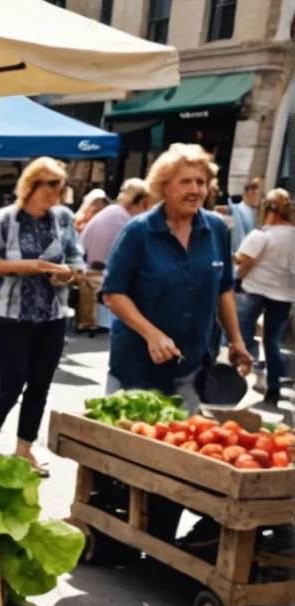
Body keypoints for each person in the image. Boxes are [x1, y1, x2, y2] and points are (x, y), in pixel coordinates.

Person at [101, 143, 252, 416]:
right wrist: (152, 335)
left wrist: (236, 340)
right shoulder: (138, 232)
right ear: (164, 186)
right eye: (185, 182)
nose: (195, 190)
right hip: (138, 366)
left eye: (201, 182)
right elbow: (113, 293)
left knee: (181, 448)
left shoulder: (216, 228)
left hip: (192, 366)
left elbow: (224, 289)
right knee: (130, 448)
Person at [0, 157, 86, 474]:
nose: (57, 192)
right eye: (51, 184)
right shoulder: (7, 219)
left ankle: (24, 451)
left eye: (60, 186)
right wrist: (30, 266)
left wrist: (67, 275)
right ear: (32, 185)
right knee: (11, 385)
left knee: (39, 387)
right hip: (11, 316)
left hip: (52, 316)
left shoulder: (63, 218)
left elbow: (77, 261)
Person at [234, 187, 295, 407]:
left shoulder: (261, 234)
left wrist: (238, 280)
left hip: (254, 290)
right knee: (272, 342)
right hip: (284, 296)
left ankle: (238, 377)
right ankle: (274, 388)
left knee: (240, 335)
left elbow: (244, 261)